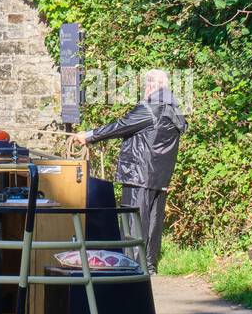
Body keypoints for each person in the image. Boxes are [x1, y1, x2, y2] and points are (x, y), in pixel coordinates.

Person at [72, 70, 186, 274]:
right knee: (153, 221)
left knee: (134, 221)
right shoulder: (174, 109)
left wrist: (89, 136)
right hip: (160, 176)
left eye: (146, 86)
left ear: (151, 86)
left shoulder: (150, 108)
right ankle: (149, 266)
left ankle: (133, 267)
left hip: (139, 173)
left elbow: (121, 125)